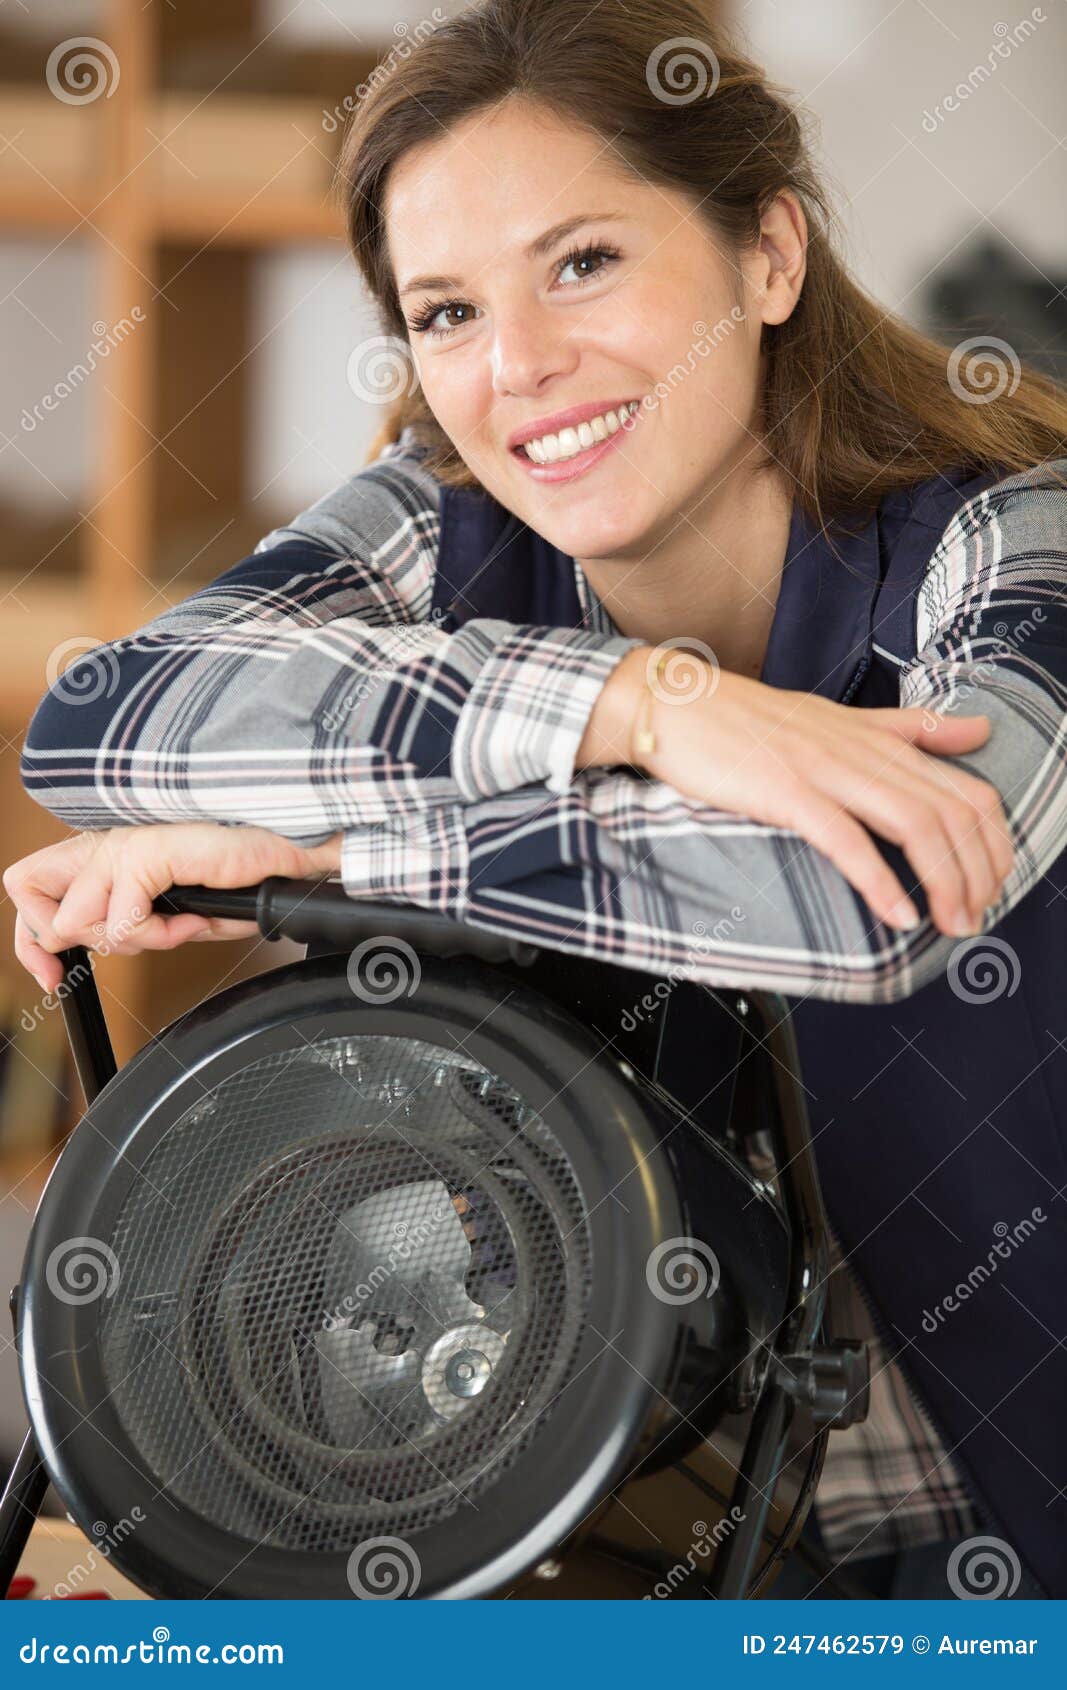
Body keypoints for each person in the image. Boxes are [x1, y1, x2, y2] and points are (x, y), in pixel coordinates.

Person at [6, 0, 1067, 1601]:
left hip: (1007, 1507)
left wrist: (325, 857)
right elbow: (106, 717)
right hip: (642, 1506)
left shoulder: (1015, 546)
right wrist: (646, 705)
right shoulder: (442, 503)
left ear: (769, 257)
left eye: (584, 263)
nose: (517, 368)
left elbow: (874, 896)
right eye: (443, 310)